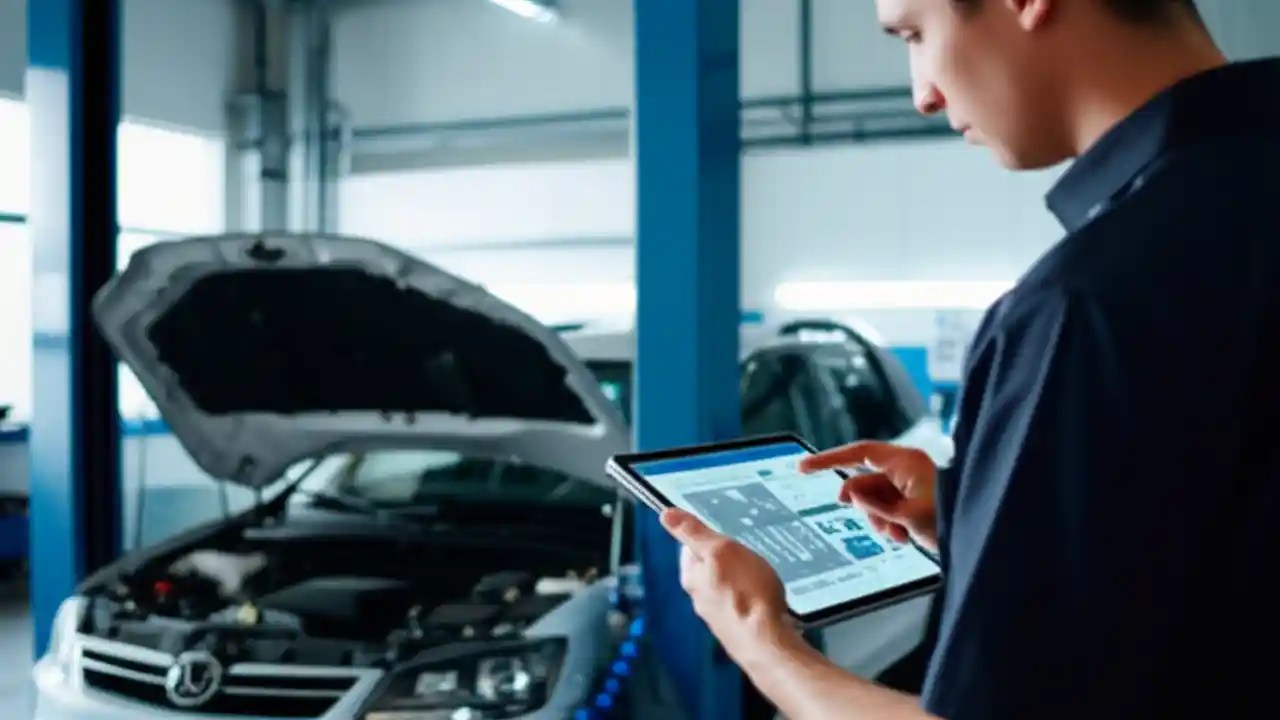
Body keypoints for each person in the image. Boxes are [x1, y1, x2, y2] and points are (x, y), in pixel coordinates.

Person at [659, 0, 1280, 717]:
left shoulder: (1088, 302)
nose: (923, 94)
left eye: (916, 34)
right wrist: (970, 515)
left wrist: (762, 641)